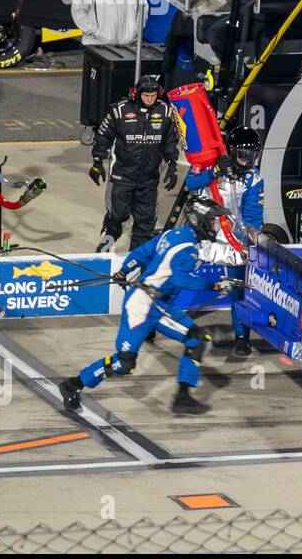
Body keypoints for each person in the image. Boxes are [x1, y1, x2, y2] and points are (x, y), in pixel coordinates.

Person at [59, 199, 233, 417]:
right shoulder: (188, 250)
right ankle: (74, 384)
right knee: (124, 364)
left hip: (154, 302)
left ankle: (182, 398)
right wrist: (215, 285)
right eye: (213, 221)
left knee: (197, 337)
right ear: (199, 221)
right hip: (146, 305)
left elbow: (141, 253)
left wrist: (124, 271)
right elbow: (183, 281)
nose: (216, 226)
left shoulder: (174, 234)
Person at [184, 127, 264, 355]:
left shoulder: (255, 179)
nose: (246, 160)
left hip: (233, 239)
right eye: (242, 154)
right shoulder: (211, 162)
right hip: (203, 231)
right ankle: (154, 320)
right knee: (178, 271)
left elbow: (253, 216)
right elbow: (190, 183)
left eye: (251, 156)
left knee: (239, 290)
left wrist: (252, 240)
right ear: (231, 149)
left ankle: (241, 337)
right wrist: (214, 171)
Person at [90, 74, 182, 252]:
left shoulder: (165, 112)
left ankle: (135, 261)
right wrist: (97, 162)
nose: (150, 99)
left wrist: (172, 165)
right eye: (146, 95)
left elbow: (171, 141)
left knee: (145, 222)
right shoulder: (120, 111)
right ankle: (106, 243)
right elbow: (103, 137)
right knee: (117, 216)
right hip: (122, 176)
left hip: (149, 179)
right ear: (136, 94)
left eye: (153, 95)